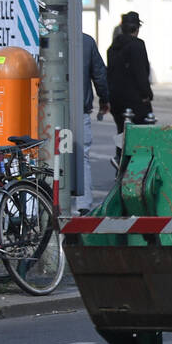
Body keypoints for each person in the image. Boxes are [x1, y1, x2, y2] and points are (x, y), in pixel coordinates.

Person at [106, 11, 152, 166]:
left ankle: (120, 159)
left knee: (122, 130)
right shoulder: (137, 45)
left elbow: (110, 73)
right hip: (135, 99)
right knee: (142, 133)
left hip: (116, 99)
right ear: (137, 29)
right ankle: (137, 167)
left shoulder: (113, 48)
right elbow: (141, 72)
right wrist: (147, 94)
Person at [78, 32, 110, 213]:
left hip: (51, 110)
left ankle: (51, 203)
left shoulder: (46, 37)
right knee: (82, 157)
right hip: (80, 110)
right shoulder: (86, 41)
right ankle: (84, 205)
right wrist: (104, 99)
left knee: (53, 157)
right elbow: (99, 74)